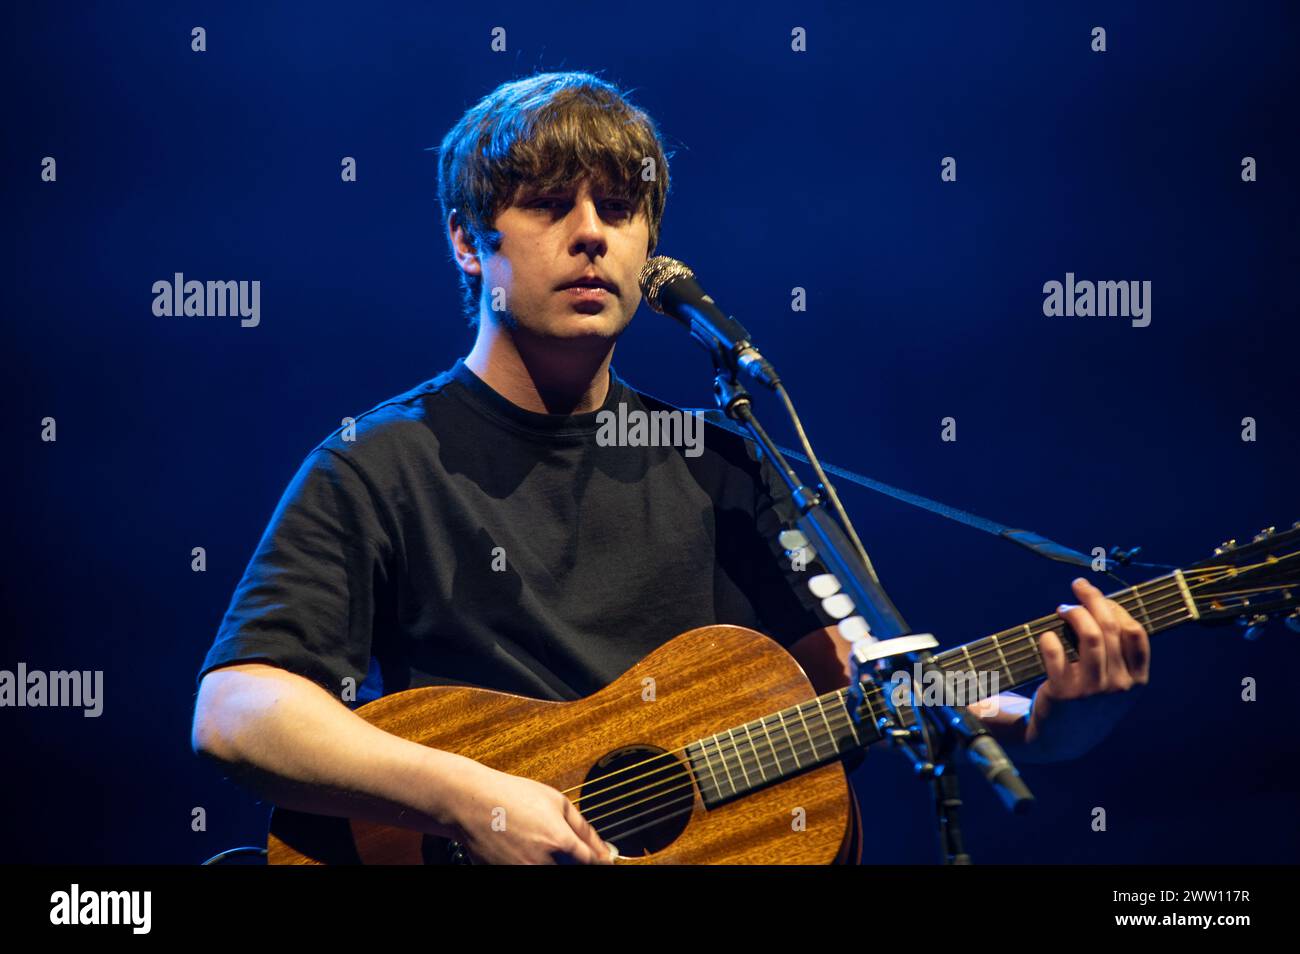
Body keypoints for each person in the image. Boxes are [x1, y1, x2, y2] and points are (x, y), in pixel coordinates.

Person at [190, 71, 1151, 865]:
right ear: (467, 239)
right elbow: (238, 712)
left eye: (618, 209)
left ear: (651, 249)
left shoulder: (720, 461)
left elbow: (873, 682)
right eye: (548, 205)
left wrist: (1038, 724)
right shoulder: (379, 462)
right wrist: (476, 799)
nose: (591, 234)